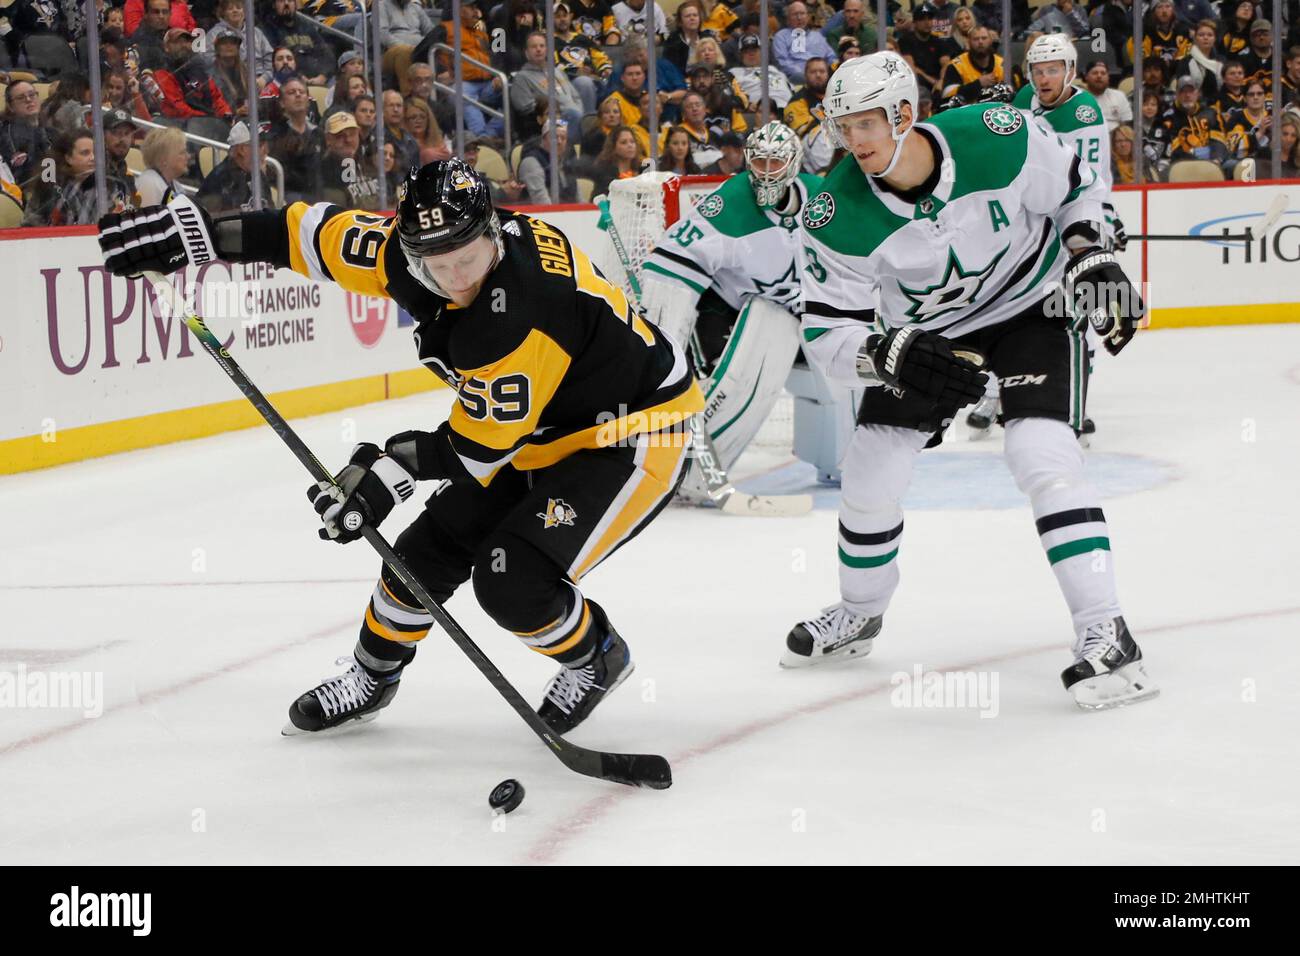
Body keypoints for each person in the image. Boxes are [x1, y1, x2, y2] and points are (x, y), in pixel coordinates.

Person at [97, 159, 703, 735]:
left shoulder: (519, 314)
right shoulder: (403, 254)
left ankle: (598, 655)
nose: (458, 278)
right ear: (410, 252)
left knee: (513, 581)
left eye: (468, 258)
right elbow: (303, 233)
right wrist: (197, 233)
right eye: (439, 266)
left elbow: (474, 452)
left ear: (494, 230)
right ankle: (372, 677)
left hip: (633, 432)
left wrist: (386, 470)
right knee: (420, 553)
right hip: (541, 427)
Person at [787, 52, 1153, 711]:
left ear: (904, 114)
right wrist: (885, 354)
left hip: (1030, 307)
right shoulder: (831, 214)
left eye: (867, 124)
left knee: (1039, 450)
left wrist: (1090, 250)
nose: (855, 141)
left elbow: (1076, 190)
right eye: (844, 127)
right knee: (870, 467)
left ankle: (1108, 631)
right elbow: (825, 336)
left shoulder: (999, 134)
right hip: (928, 338)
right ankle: (860, 611)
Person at [640, 120, 844, 498]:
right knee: (736, 382)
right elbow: (670, 263)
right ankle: (688, 472)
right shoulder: (729, 203)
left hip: (798, 312)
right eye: (759, 161)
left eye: (774, 163)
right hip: (728, 307)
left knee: (844, 376)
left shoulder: (822, 199)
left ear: (794, 163)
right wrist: (666, 335)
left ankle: (840, 459)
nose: (765, 172)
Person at [992, 34, 1121, 438]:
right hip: (1028, 230)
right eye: (1037, 70)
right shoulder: (1026, 99)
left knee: (1075, 319)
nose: (1043, 78)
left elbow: (1092, 180)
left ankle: (1073, 408)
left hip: (1070, 227)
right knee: (1010, 313)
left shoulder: (1085, 114)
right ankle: (997, 398)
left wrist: (1103, 220)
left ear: (1071, 72)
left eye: (1052, 70)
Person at [25, 130, 131, 226]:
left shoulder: (115, 187)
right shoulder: (49, 187)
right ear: (68, 158)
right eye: (85, 153)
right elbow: (29, 226)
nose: (93, 158)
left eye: (96, 153)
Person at [510, 30, 586, 141]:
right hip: (551, 122)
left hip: (574, 116)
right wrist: (557, 112)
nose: (538, 49)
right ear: (526, 53)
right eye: (534, 47)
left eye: (542, 46)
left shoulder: (558, 71)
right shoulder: (522, 77)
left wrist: (578, 112)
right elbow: (524, 108)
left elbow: (576, 97)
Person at [154, 27, 233, 122]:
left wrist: (226, 113)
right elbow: (178, 108)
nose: (183, 45)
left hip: (207, 122)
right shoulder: (163, 72)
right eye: (177, 42)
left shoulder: (199, 69)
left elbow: (216, 97)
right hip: (180, 126)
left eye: (187, 42)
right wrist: (208, 118)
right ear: (166, 47)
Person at [197, 121, 274, 214]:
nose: (266, 151)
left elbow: (270, 210)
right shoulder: (219, 180)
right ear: (242, 149)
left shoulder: (259, 175)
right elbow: (214, 221)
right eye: (261, 145)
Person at [267, 77, 322, 202]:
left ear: (308, 100)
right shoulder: (276, 136)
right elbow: (277, 178)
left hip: (320, 196)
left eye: (301, 92)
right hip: (292, 198)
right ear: (282, 102)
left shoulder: (319, 133)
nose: (298, 95)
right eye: (291, 93)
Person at [555, 1, 614, 115]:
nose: (562, 19)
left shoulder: (583, 39)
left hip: (592, 78)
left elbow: (600, 57)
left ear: (571, 17)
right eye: (558, 16)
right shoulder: (550, 40)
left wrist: (605, 69)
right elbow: (553, 66)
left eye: (565, 15)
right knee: (584, 82)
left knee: (616, 78)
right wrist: (575, 72)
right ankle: (588, 120)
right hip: (566, 82)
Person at [314, 110, 381, 209]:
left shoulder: (369, 162)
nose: (348, 140)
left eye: (352, 134)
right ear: (328, 139)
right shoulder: (324, 172)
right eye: (340, 136)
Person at [262, 0, 331, 86]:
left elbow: (326, 53)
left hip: (319, 78)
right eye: (281, 1)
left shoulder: (306, 25)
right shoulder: (269, 28)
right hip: (288, 79)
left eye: (290, 1)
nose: (286, 3)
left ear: (296, 4)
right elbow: (278, 59)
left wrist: (323, 75)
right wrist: (299, 76)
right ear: (274, 5)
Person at [207, 0, 273, 89]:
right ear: (223, 13)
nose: (235, 10)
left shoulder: (256, 32)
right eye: (230, 8)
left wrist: (264, 78)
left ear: (245, 11)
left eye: (239, 7)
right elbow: (209, 60)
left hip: (261, 81)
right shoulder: (213, 34)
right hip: (230, 82)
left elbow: (270, 58)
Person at [897, 3, 959, 96]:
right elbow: (910, 67)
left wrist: (941, 81)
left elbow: (946, 64)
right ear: (914, 23)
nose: (927, 22)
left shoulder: (939, 41)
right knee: (917, 78)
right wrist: (933, 81)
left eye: (929, 18)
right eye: (922, 19)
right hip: (918, 82)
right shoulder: (905, 41)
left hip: (938, 82)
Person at [785, 57, 833, 172]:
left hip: (839, 143)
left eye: (822, 71)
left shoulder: (835, 95)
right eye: (813, 72)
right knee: (819, 134)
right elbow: (807, 132)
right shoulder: (797, 101)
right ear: (805, 75)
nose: (818, 75)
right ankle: (824, 174)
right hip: (809, 156)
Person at [773, 2, 837, 85]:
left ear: (807, 17)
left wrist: (831, 70)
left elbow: (831, 57)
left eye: (802, 14)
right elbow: (782, 62)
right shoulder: (781, 36)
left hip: (821, 74)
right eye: (795, 14)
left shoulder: (817, 36)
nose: (799, 17)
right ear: (788, 19)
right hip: (798, 76)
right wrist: (807, 74)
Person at [937, 24, 1005, 103]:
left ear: (990, 41)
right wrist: (978, 84)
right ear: (969, 42)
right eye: (976, 39)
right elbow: (947, 96)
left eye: (984, 38)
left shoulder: (1002, 64)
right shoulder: (956, 66)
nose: (980, 42)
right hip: (967, 112)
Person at [516, 118, 578, 204]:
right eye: (555, 137)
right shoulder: (531, 162)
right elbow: (541, 202)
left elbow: (578, 198)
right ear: (544, 139)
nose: (559, 141)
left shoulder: (566, 163)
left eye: (563, 138)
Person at [0, 81, 50, 186]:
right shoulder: (9, 135)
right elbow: (21, 176)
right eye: (20, 98)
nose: (28, 99)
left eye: (32, 95)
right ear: (10, 107)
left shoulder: (51, 130)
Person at [731, 34, 794, 112]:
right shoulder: (734, 73)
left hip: (789, 110)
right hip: (762, 112)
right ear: (741, 55)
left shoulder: (774, 70)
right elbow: (729, 96)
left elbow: (793, 90)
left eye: (754, 50)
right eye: (747, 51)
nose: (751, 54)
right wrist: (747, 104)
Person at [135, 124, 191, 205]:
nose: (188, 156)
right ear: (163, 159)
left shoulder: (176, 186)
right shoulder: (149, 183)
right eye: (182, 152)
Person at [589, 124, 646, 196]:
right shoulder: (604, 173)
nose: (630, 145)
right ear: (613, 147)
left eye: (632, 141)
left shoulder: (642, 170)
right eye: (624, 142)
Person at [1176, 19, 1225, 102]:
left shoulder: (1222, 61)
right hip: (1194, 104)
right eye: (1201, 35)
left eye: (1210, 35)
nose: (1205, 38)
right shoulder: (1186, 62)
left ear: (1215, 39)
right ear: (1195, 38)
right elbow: (1183, 88)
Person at [1083, 61, 1133, 132]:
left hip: (1114, 139)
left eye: (1103, 73)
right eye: (1095, 73)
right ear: (1086, 77)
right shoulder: (1077, 98)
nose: (1099, 76)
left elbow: (1126, 122)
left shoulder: (1119, 96)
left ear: (1108, 77)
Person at [404, 96, 452, 165]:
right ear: (405, 120)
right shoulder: (404, 142)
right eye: (413, 117)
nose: (418, 121)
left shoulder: (440, 143)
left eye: (422, 117)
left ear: (428, 119)